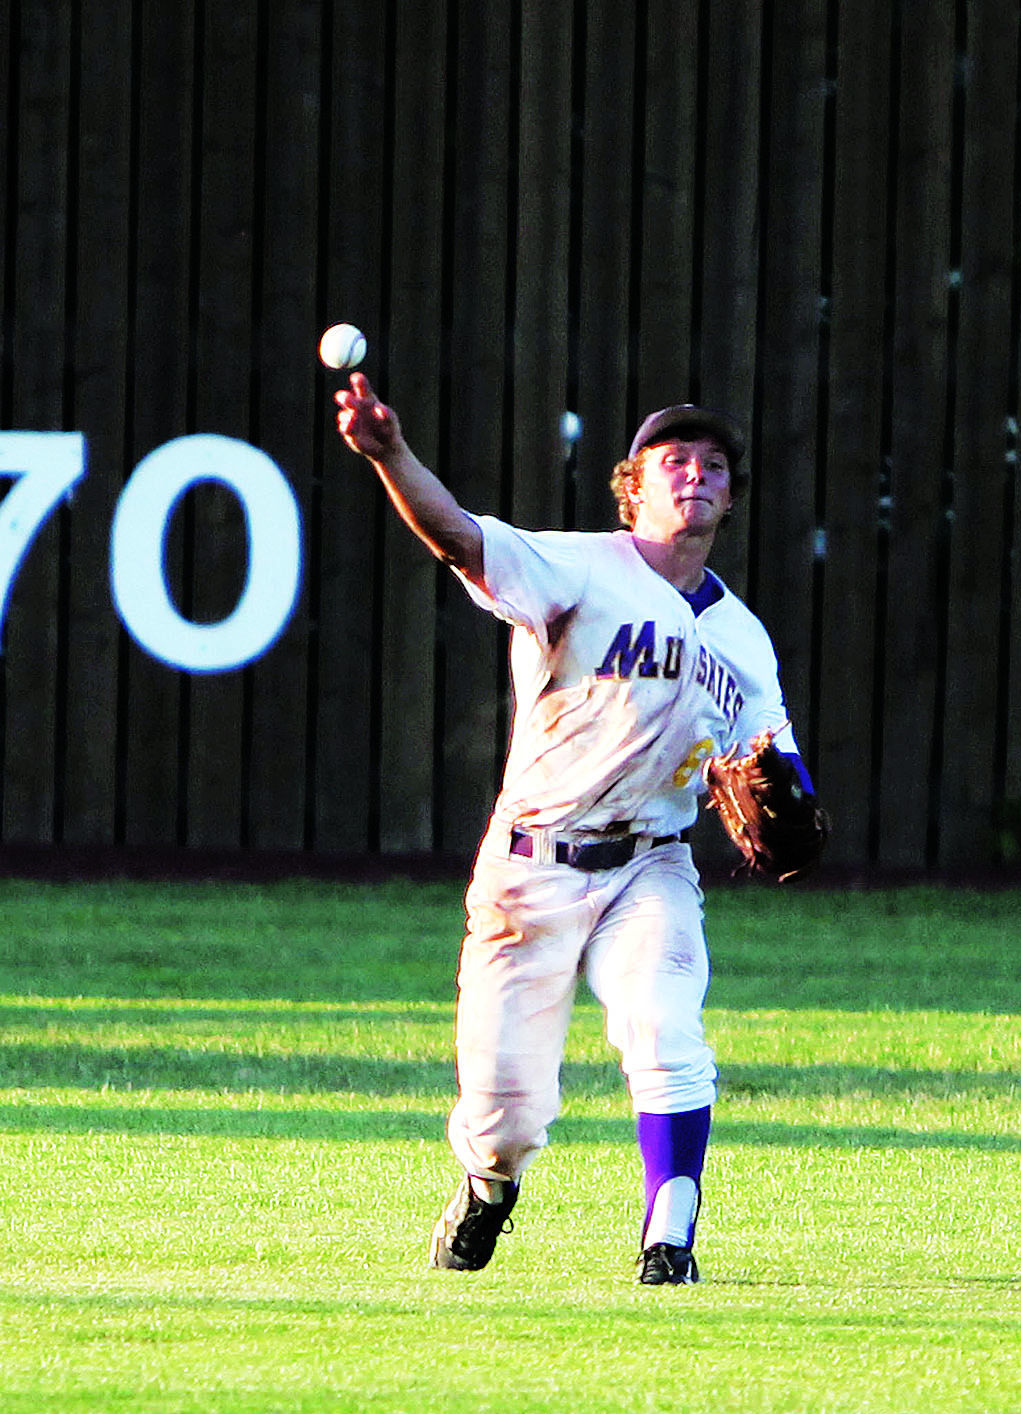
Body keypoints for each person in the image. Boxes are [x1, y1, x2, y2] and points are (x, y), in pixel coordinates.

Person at [334, 374, 816, 1285]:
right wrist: (389, 453)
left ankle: (669, 1239)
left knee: (666, 1031)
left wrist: (788, 799)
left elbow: (776, 761)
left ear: (731, 497)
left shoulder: (743, 638)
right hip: (532, 864)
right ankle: (487, 1187)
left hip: (651, 865)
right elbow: (457, 537)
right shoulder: (574, 567)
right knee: (503, 1113)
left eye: (714, 465)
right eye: (673, 460)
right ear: (632, 485)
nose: (696, 474)